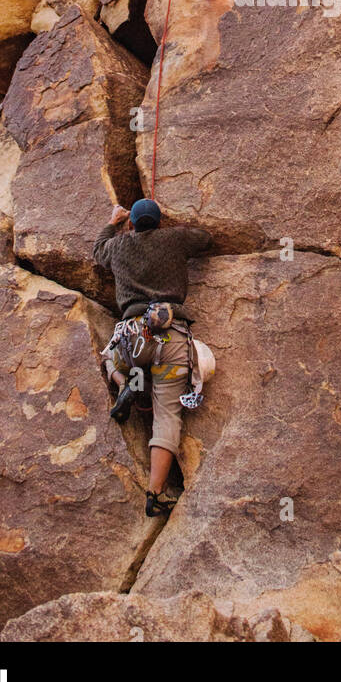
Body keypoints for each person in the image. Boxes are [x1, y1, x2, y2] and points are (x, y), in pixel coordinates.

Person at [94, 198, 212, 517]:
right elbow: (205, 239)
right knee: (167, 415)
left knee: (109, 356)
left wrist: (113, 221)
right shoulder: (174, 239)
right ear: (159, 222)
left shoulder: (118, 246)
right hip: (171, 336)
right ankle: (156, 493)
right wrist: (173, 226)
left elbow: (98, 251)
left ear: (131, 223)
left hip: (132, 337)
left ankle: (124, 384)